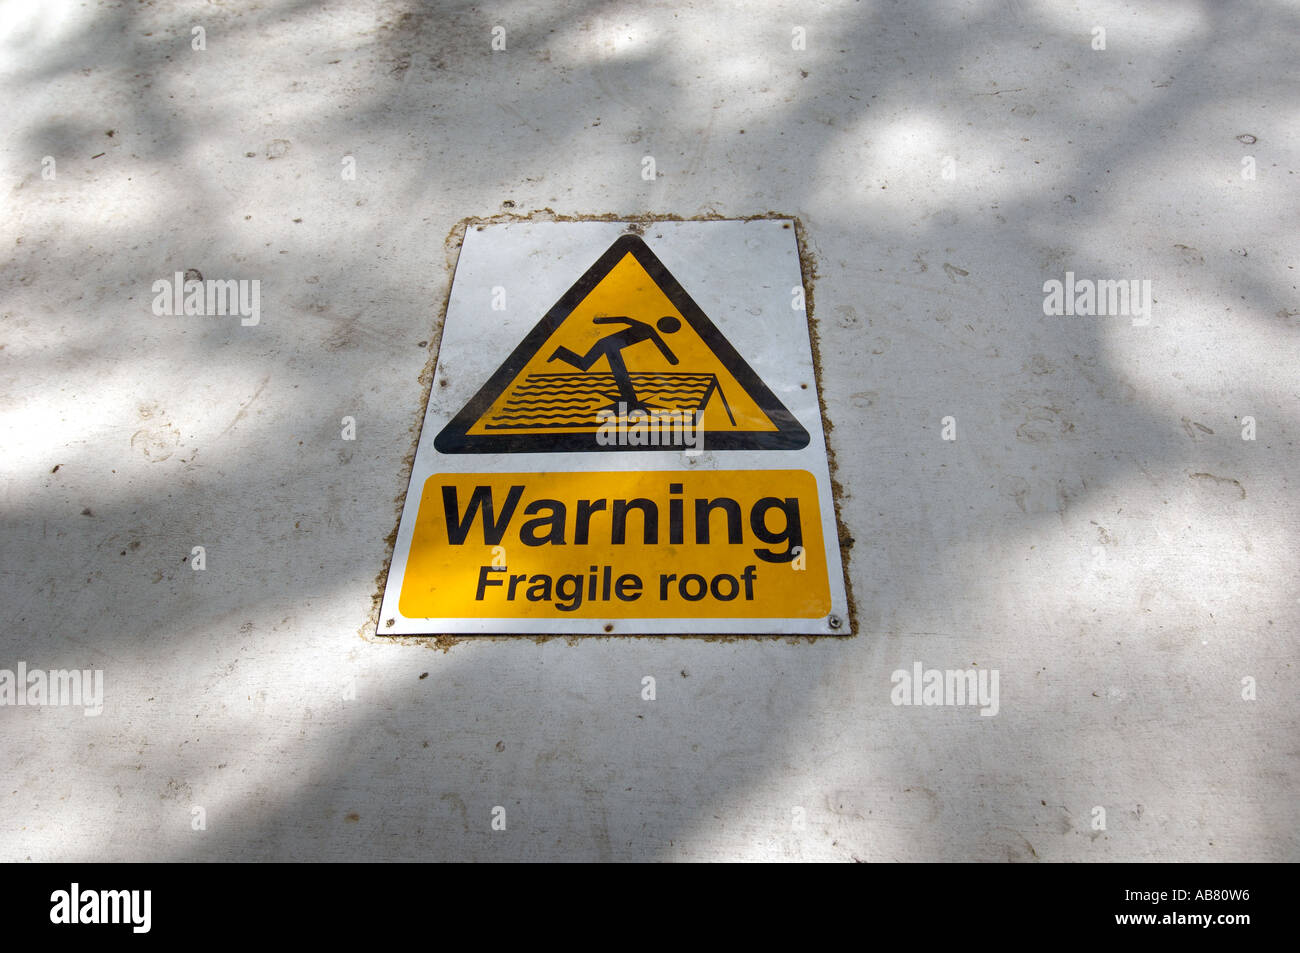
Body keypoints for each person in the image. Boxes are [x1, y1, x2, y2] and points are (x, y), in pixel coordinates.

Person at [548, 315, 681, 411]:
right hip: (609, 346)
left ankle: (561, 353)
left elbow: (662, 347)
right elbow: (624, 319)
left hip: (608, 345)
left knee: (585, 365)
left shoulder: (649, 329)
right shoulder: (648, 328)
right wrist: (599, 320)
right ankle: (630, 401)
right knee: (619, 372)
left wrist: (673, 360)